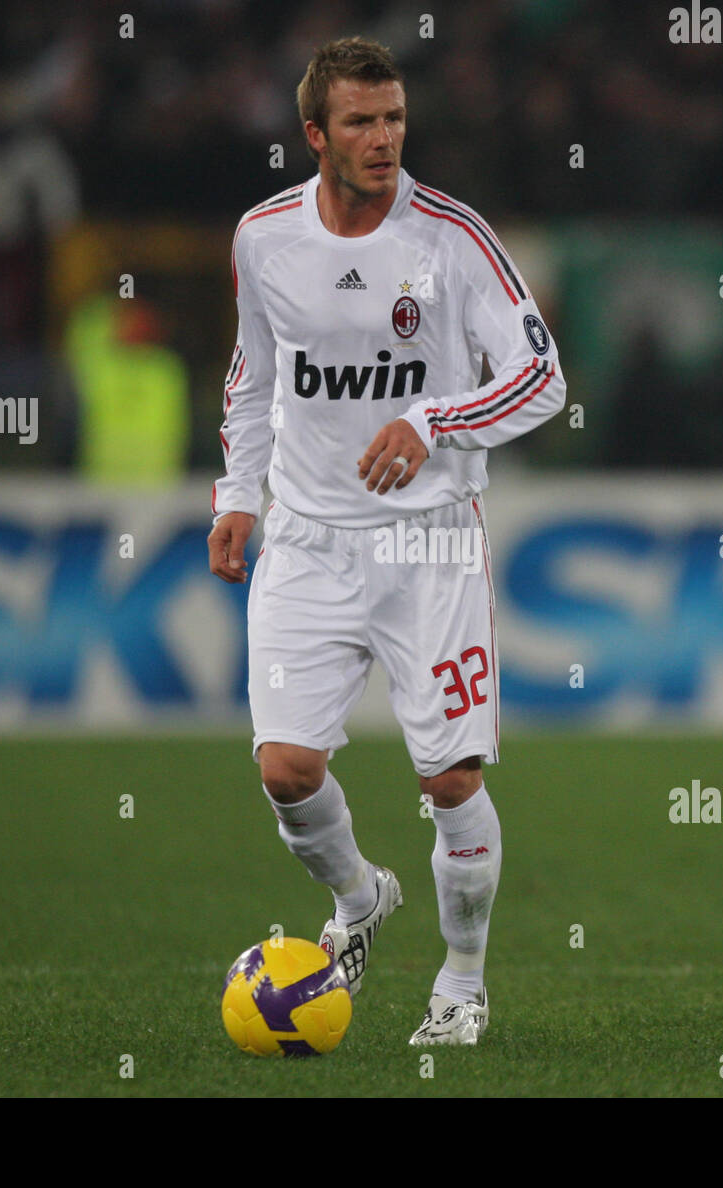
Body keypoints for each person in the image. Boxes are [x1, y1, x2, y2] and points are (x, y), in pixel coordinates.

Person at [207, 37, 565, 1046]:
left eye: (394, 118)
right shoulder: (264, 238)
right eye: (360, 123)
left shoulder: (452, 238)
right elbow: (254, 377)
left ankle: (460, 982)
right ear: (314, 134)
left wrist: (435, 422)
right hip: (308, 539)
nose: (382, 139)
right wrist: (238, 495)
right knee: (284, 770)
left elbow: (542, 381)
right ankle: (360, 897)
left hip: (430, 546)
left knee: (449, 781)